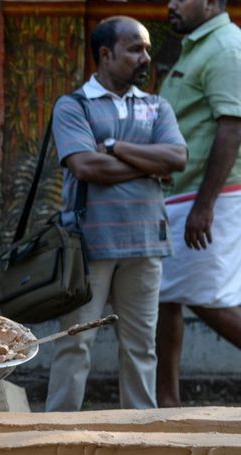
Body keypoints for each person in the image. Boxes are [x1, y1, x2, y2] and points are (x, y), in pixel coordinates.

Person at [45, 16, 187, 412]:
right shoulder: (73, 106)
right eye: (135, 49)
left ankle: (142, 436)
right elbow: (87, 167)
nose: (145, 57)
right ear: (105, 54)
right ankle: (55, 433)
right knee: (75, 343)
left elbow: (177, 157)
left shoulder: (156, 106)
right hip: (89, 246)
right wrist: (149, 166)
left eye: (145, 49)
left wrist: (113, 146)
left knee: (141, 346)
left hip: (146, 245)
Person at [157, 0, 241, 407]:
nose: (170, 5)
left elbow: (232, 128)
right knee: (165, 296)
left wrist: (204, 206)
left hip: (208, 197)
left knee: (207, 299)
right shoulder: (197, 45)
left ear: (210, 3)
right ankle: (166, 403)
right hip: (179, 195)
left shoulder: (226, 47)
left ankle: (166, 400)